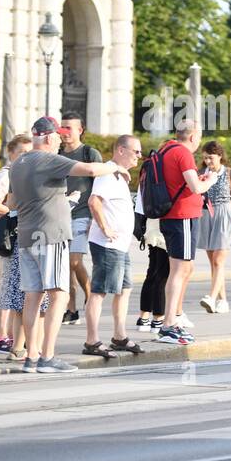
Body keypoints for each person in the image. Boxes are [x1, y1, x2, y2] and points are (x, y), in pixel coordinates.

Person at [8, 116, 127, 372]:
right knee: (58, 295)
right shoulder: (48, 159)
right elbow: (92, 170)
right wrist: (115, 166)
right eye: (58, 138)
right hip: (51, 235)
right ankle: (47, 357)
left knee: (32, 296)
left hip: (27, 236)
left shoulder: (19, 163)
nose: (59, 142)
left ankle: (31, 356)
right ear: (49, 138)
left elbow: (17, 202)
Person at [153, 123, 218, 344]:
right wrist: (210, 180)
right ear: (192, 136)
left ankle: (170, 320)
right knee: (179, 270)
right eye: (199, 136)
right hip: (182, 216)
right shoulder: (183, 153)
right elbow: (195, 188)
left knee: (180, 269)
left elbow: (177, 182)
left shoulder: (165, 149)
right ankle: (169, 324)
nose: (199, 141)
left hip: (170, 215)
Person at [83, 135, 143, 358]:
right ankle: (92, 341)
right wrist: (105, 228)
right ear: (120, 150)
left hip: (120, 245)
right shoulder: (108, 173)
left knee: (124, 289)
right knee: (99, 292)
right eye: (135, 151)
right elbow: (93, 201)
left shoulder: (118, 175)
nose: (139, 155)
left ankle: (119, 336)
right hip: (107, 244)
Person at [0, 134, 34, 356]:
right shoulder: (7, 174)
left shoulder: (21, 174)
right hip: (9, 236)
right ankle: (0, 337)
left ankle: (6, 335)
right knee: (8, 287)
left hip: (17, 236)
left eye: (29, 154)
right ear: (11, 154)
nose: (25, 158)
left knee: (11, 286)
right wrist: (12, 212)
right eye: (22, 154)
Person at [58, 112, 101, 326]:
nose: (65, 132)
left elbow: (101, 186)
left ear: (80, 130)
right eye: (62, 128)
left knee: (74, 261)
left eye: (69, 128)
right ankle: (71, 309)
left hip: (83, 214)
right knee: (65, 265)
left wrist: (97, 216)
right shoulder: (55, 154)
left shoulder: (89, 153)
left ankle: (91, 293)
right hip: (58, 217)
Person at [196, 141, 231, 314]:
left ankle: (211, 297)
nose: (208, 161)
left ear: (219, 156)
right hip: (206, 215)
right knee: (214, 263)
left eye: (210, 157)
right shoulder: (200, 172)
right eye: (205, 158)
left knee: (218, 261)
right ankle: (222, 300)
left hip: (224, 214)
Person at [134, 192, 169, 336]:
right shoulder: (162, 172)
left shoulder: (146, 174)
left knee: (153, 271)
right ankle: (158, 319)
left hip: (150, 223)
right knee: (162, 274)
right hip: (165, 223)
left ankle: (144, 317)